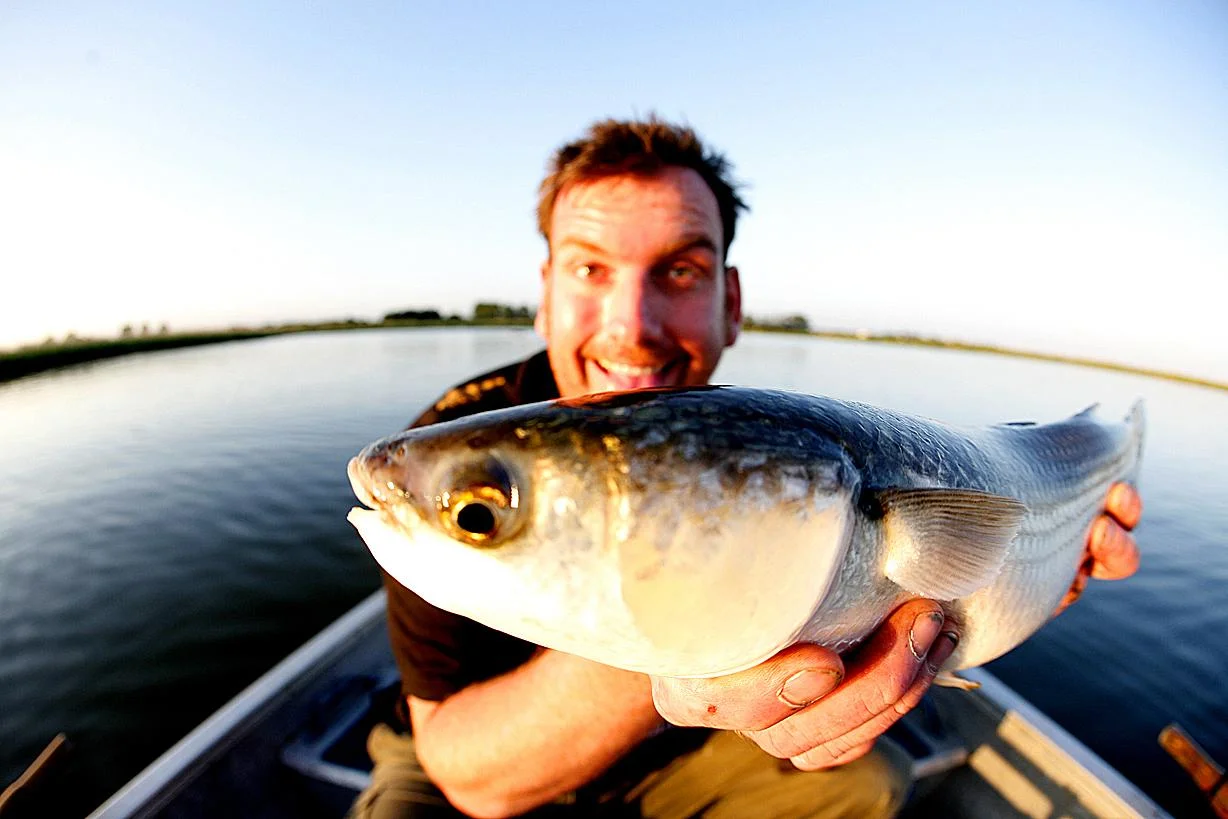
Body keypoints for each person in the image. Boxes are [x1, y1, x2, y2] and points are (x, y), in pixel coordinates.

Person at [349, 116, 1143, 819]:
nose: (632, 326)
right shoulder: (448, 440)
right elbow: (470, 777)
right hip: (477, 756)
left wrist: (1043, 559)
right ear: (545, 293)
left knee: (865, 786)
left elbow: (992, 549)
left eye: (682, 269)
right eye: (589, 269)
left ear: (732, 300)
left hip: (683, 757)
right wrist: (688, 629)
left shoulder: (796, 429)